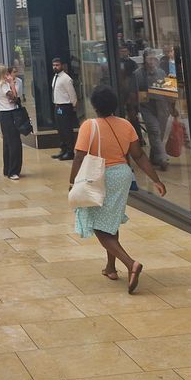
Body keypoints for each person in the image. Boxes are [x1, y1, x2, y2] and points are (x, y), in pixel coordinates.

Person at [70, 85, 165, 293]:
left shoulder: (89, 125)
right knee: (111, 220)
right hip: (122, 175)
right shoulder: (126, 125)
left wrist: (72, 181)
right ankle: (110, 267)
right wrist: (156, 180)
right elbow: (139, 155)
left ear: (94, 106)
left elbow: (79, 155)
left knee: (97, 224)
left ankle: (130, 264)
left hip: (99, 177)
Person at [0, 65, 24, 180]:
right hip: (9, 114)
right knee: (14, 143)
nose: (9, 75)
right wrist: (11, 84)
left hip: (3, 115)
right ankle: (13, 171)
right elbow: (14, 97)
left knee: (7, 142)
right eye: (6, 73)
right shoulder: (3, 85)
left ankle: (7, 168)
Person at [51, 57, 80, 161]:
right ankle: (63, 150)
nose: (55, 67)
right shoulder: (55, 77)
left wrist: (74, 105)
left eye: (57, 65)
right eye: (54, 65)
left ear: (62, 66)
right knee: (60, 129)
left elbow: (72, 93)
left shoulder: (66, 78)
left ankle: (70, 151)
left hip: (65, 106)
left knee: (67, 130)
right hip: (58, 105)